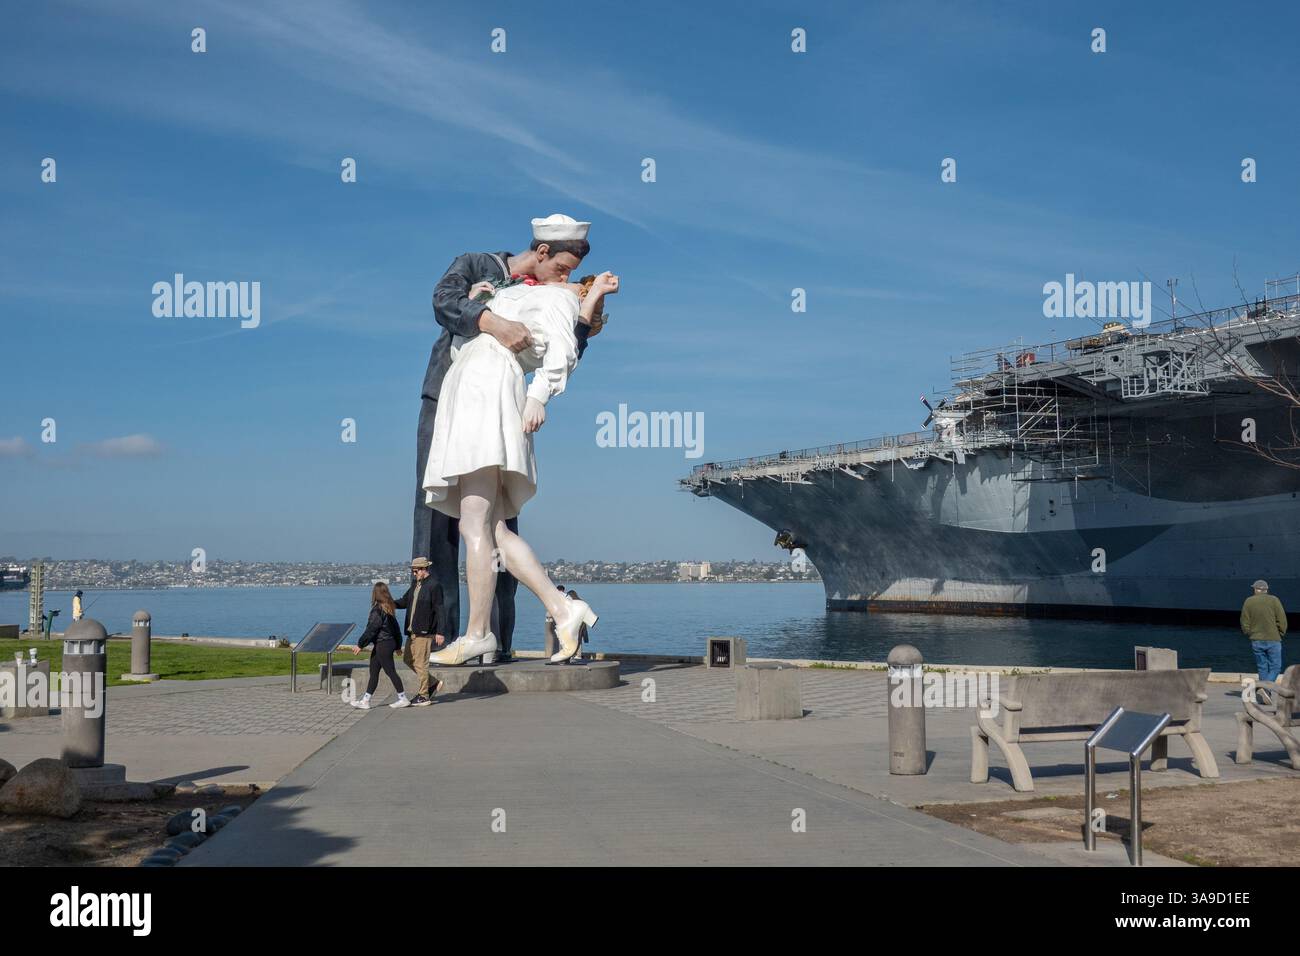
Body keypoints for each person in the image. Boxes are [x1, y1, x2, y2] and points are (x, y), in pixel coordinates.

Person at [423, 221, 617, 667]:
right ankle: (562, 608)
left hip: (485, 384)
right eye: (563, 268)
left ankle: (477, 633)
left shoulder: (552, 296)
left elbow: (565, 350)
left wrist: (537, 397)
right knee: (491, 528)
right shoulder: (517, 291)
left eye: (571, 274)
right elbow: (452, 307)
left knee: (474, 524)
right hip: (472, 383)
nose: (564, 277)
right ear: (543, 251)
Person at [394, 557, 447, 706]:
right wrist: (388, 603)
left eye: (416, 571)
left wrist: (440, 632)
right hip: (412, 631)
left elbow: (440, 610)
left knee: (421, 664)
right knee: (408, 660)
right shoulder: (415, 585)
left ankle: (423, 695)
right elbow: (405, 601)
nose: (414, 573)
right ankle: (433, 683)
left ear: (424, 570)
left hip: (425, 632)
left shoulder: (434, 586)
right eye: (413, 571)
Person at [350, 582, 409, 709]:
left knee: (390, 671)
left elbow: (372, 629)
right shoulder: (389, 608)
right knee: (374, 672)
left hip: (383, 644)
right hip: (385, 644)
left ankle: (403, 698)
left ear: (375, 594)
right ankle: (365, 701)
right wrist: (398, 645)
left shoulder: (377, 610)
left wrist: (360, 645)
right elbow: (396, 629)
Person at [1241, 579, 1287, 686]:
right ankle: (1265, 688)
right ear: (1266, 590)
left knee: (1262, 667)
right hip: (1274, 639)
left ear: (1256, 589)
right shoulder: (1274, 600)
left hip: (1256, 640)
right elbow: (1282, 620)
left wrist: (1249, 633)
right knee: (1275, 667)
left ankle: (1265, 692)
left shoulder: (1249, 601)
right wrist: (1281, 633)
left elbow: (1244, 621)